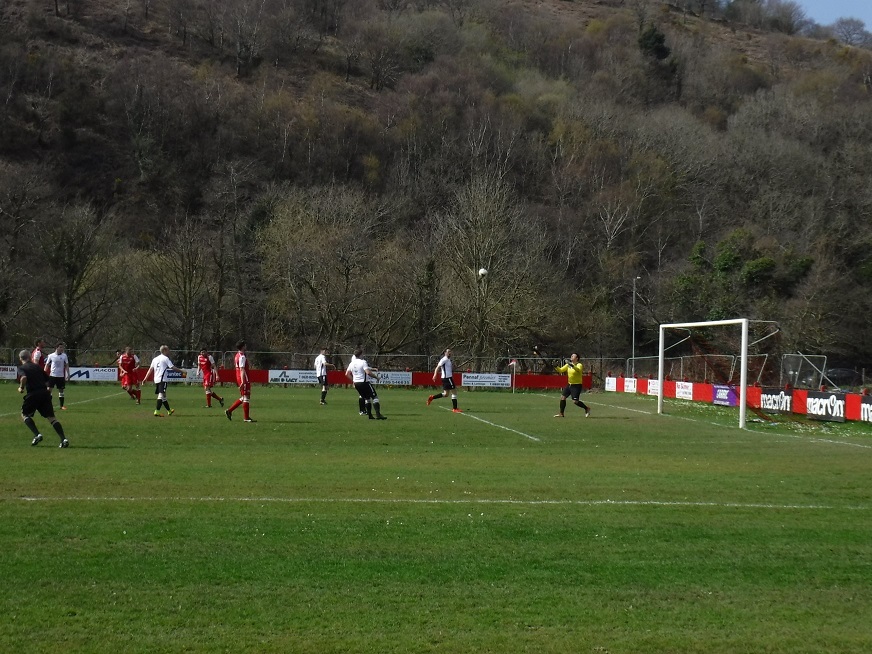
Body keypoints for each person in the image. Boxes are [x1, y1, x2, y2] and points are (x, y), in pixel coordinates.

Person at [16, 349, 69, 447]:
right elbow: (47, 380)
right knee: (52, 418)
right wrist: (47, 391)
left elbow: (23, 378)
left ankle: (37, 434)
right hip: (44, 393)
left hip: (33, 394)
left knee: (24, 414)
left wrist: (21, 387)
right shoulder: (37, 367)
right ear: (30, 357)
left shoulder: (22, 368)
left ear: (20, 358)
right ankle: (63, 439)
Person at [144, 345, 186, 417]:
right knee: (161, 395)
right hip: (162, 379)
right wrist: (181, 371)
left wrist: (145, 378)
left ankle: (169, 410)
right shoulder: (165, 358)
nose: (169, 351)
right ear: (164, 350)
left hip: (156, 379)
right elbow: (172, 367)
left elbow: (150, 369)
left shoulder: (155, 359)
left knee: (163, 395)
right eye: (168, 350)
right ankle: (157, 411)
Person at [346, 348, 386, 420]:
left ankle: (370, 415)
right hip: (364, 383)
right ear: (361, 354)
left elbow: (347, 374)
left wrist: (354, 380)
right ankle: (378, 414)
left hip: (357, 384)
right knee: (375, 397)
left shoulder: (351, 363)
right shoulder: (363, 362)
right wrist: (376, 377)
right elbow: (368, 372)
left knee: (367, 398)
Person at [554, 352, 590, 418]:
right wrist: (556, 366)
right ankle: (561, 413)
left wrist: (572, 365)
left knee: (575, 401)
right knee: (562, 397)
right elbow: (561, 370)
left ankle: (586, 408)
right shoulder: (568, 365)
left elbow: (578, 370)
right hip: (569, 384)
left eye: (573, 356)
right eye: (571, 356)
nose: (571, 357)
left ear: (577, 358)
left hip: (576, 385)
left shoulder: (579, 365)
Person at [225, 340, 254, 422]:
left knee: (244, 397)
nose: (246, 346)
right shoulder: (242, 356)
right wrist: (242, 381)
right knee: (246, 397)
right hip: (243, 377)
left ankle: (229, 411)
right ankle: (246, 418)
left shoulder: (237, 355)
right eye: (245, 345)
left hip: (240, 377)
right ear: (243, 346)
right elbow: (242, 369)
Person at [427, 348, 462, 413]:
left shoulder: (448, 360)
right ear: (445, 353)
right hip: (447, 378)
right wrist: (435, 375)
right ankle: (455, 408)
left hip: (446, 378)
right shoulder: (444, 359)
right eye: (448, 352)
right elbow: (437, 367)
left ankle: (432, 397)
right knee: (454, 392)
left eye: (450, 352)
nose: (450, 353)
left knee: (446, 394)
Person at [43, 343, 70, 411]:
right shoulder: (51, 356)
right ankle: (49, 406)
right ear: (56, 348)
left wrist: (68, 374)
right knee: (49, 390)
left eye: (62, 347)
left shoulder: (64, 356)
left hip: (60, 376)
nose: (62, 349)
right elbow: (46, 365)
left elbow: (66, 365)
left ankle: (61, 406)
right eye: (60, 347)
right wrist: (43, 373)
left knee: (61, 390)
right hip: (52, 375)